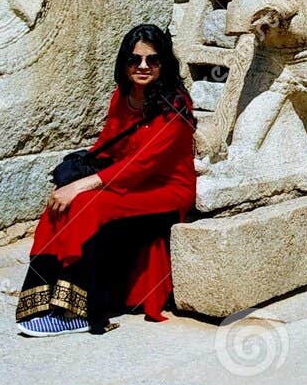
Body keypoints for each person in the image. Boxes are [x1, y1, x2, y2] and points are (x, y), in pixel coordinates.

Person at [15, 24, 196, 337]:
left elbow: (143, 164)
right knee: (57, 206)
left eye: (152, 60)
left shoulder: (175, 106)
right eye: (134, 59)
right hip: (125, 180)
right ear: (123, 62)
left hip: (165, 190)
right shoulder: (123, 96)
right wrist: (70, 182)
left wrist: (82, 186)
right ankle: (44, 301)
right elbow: (106, 146)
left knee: (88, 207)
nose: (142, 66)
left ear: (163, 63)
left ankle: (81, 311)